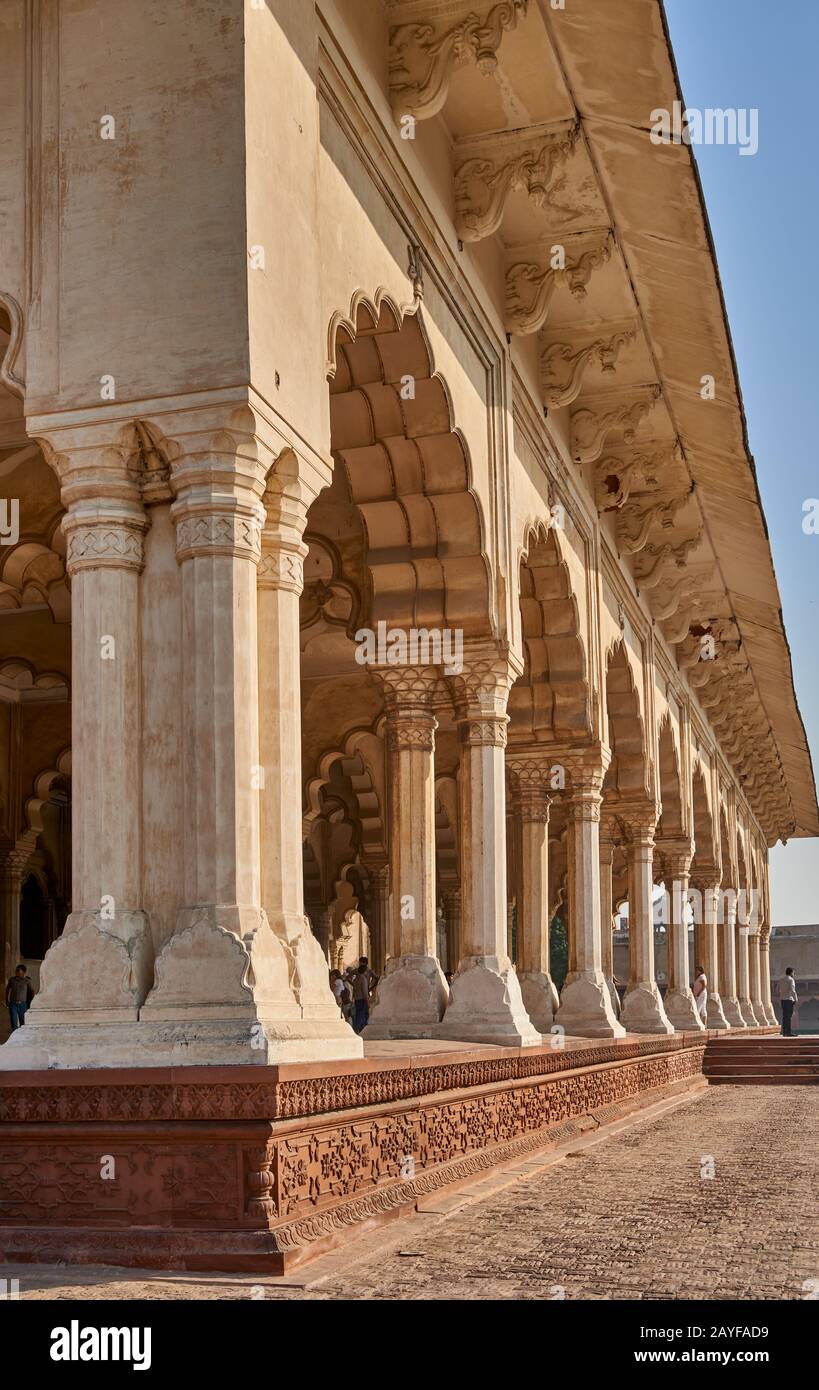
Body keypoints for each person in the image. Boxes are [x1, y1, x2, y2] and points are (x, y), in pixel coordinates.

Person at [6, 964, 34, 1031]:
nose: (16, 971)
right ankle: (14, 1036)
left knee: (22, 1023)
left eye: (18, 970)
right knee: (14, 1022)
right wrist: (6, 999)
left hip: (22, 1005)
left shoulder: (27, 981)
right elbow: (7, 989)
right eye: (16, 970)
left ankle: (21, 1036)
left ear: (23, 972)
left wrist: (31, 1002)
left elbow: (32, 991)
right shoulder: (12, 979)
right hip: (13, 1004)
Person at [778, 967, 798, 1037]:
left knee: (784, 1016)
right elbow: (793, 990)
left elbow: (777, 989)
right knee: (788, 1016)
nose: (794, 974)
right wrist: (795, 999)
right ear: (791, 972)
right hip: (789, 1000)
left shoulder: (781, 979)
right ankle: (788, 1032)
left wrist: (781, 995)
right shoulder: (791, 980)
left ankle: (784, 1032)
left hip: (782, 1000)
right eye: (793, 972)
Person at [352, 963, 372, 1033]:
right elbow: (364, 991)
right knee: (362, 1015)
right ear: (365, 971)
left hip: (357, 999)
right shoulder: (363, 979)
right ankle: (358, 1028)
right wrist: (367, 1001)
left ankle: (359, 1028)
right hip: (362, 999)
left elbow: (354, 990)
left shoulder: (356, 979)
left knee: (358, 1014)